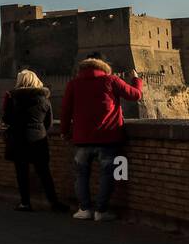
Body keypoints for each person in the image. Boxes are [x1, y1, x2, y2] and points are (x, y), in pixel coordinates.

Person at [60, 53, 143, 221]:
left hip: (82, 140)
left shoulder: (73, 84)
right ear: (103, 68)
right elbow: (135, 95)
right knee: (108, 174)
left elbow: (65, 111)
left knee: (81, 175)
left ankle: (84, 209)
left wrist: (64, 132)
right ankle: (101, 211)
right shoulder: (111, 81)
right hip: (108, 138)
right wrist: (136, 80)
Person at [1, 70, 65, 212]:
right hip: (38, 139)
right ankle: (54, 202)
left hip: (18, 139)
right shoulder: (44, 99)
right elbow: (49, 122)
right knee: (44, 172)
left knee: (22, 173)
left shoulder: (13, 98)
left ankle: (25, 203)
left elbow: (7, 119)